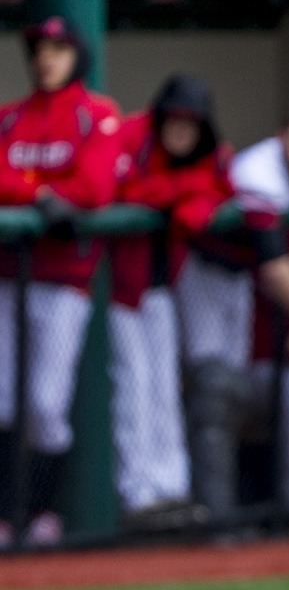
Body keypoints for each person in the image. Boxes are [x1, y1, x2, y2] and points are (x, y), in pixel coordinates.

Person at [176, 97, 289, 527]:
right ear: (282, 138)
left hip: (242, 285)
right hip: (205, 273)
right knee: (213, 388)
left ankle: (231, 513)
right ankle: (214, 515)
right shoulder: (257, 169)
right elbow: (274, 265)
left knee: (236, 395)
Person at [0, 17, 122, 547]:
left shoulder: (97, 115)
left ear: (76, 55)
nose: (47, 59)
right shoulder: (10, 118)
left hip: (64, 275)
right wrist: (43, 193)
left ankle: (43, 511)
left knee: (46, 405)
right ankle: (7, 515)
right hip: (7, 274)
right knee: (1, 399)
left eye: (58, 49)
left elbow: (94, 187)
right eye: (40, 50)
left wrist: (25, 187)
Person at [112, 75, 229, 533]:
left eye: (191, 124)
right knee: (133, 386)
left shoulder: (207, 154)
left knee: (163, 385)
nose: (181, 131)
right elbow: (118, 190)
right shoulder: (131, 135)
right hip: (118, 288)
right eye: (175, 121)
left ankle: (170, 489)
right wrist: (181, 192)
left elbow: (222, 185)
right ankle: (136, 491)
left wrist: (192, 196)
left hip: (160, 287)